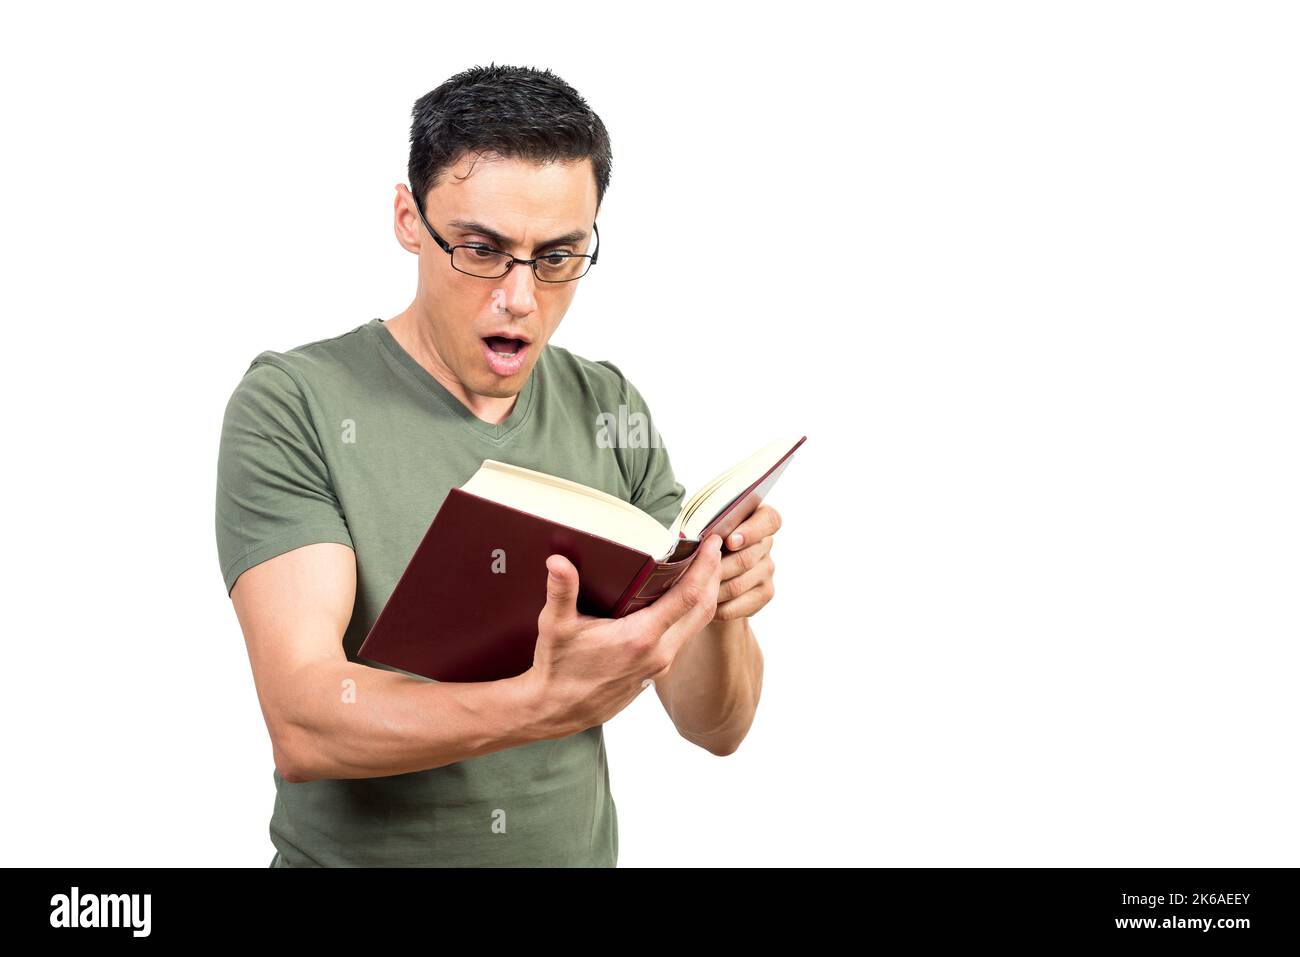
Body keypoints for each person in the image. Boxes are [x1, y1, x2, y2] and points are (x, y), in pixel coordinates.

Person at [215, 64, 783, 867]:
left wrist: (717, 597)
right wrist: (536, 703)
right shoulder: (296, 402)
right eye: (482, 250)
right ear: (409, 219)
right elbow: (304, 721)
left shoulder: (606, 403)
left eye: (558, 257)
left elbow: (716, 726)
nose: (520, 296)